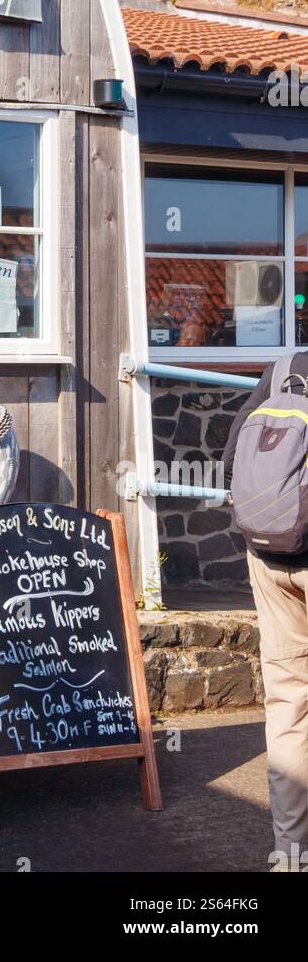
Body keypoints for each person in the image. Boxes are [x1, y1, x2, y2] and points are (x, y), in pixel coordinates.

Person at [222, 352, 308, 873]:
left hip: (270, 554)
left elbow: (233, 457)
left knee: (288, 706)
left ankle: (291, 855)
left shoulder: (284, 368)